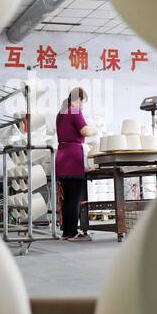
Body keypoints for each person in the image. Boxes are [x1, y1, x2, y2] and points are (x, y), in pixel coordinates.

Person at [54, 88, 97, 241]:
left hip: (62, 156)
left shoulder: (61, 114)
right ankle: (73, 233)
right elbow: (84, 131)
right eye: (83, 103)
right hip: (73, 158)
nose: (82, 106)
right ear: (78, 99)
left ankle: (67, 232)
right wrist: (94, 130)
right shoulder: (74, 111)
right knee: (74, 198)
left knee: (67, 199)